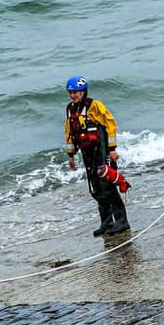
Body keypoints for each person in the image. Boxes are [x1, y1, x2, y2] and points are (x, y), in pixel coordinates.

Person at [64, 76, 130, 236]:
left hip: (102, 151)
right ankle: (106, 222)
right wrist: (71, 155)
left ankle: (121, 221)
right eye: (71, 93)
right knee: (95, 188)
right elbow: (69, 133)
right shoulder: (70, 109)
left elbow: (110, 124)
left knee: (107, 185)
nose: (73, 95)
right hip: (87, 153)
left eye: (76, 92)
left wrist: (112, 149)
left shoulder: (94, 105)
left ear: (83, 91)